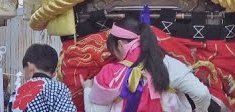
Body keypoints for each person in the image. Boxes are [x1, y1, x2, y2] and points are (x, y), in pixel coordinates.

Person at [86, 14, 215, 112]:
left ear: (120, 44)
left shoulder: (110, 73)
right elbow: (201, 94)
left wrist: (87, 89)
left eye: (114, 52)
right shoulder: (169, 64)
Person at [11, 43, 76, 112]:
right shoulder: (58, 88)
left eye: (25, 71)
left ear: (30, 66)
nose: (25, 77)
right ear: (54, 73)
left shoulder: (16, 93)